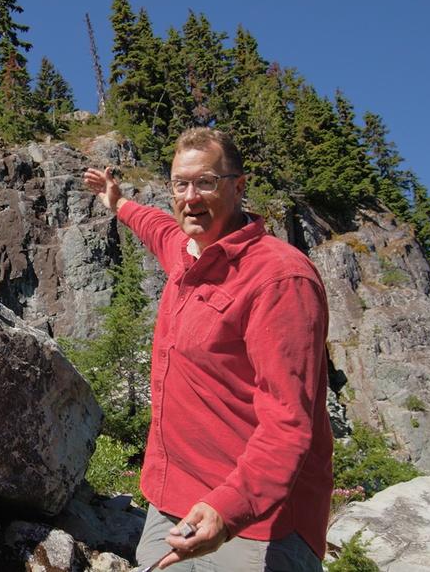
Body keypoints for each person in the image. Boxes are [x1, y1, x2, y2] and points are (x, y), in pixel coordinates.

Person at [82, 128, 332, 571]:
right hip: (171, 500)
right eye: (180, 184)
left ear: (238, 186)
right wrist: (117, 202)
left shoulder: (280, 279)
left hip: (258, 526)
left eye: (206, 182)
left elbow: (288, 422)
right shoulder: (187, 251)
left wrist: (228, 509)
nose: (190, 197)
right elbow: (155, 227)